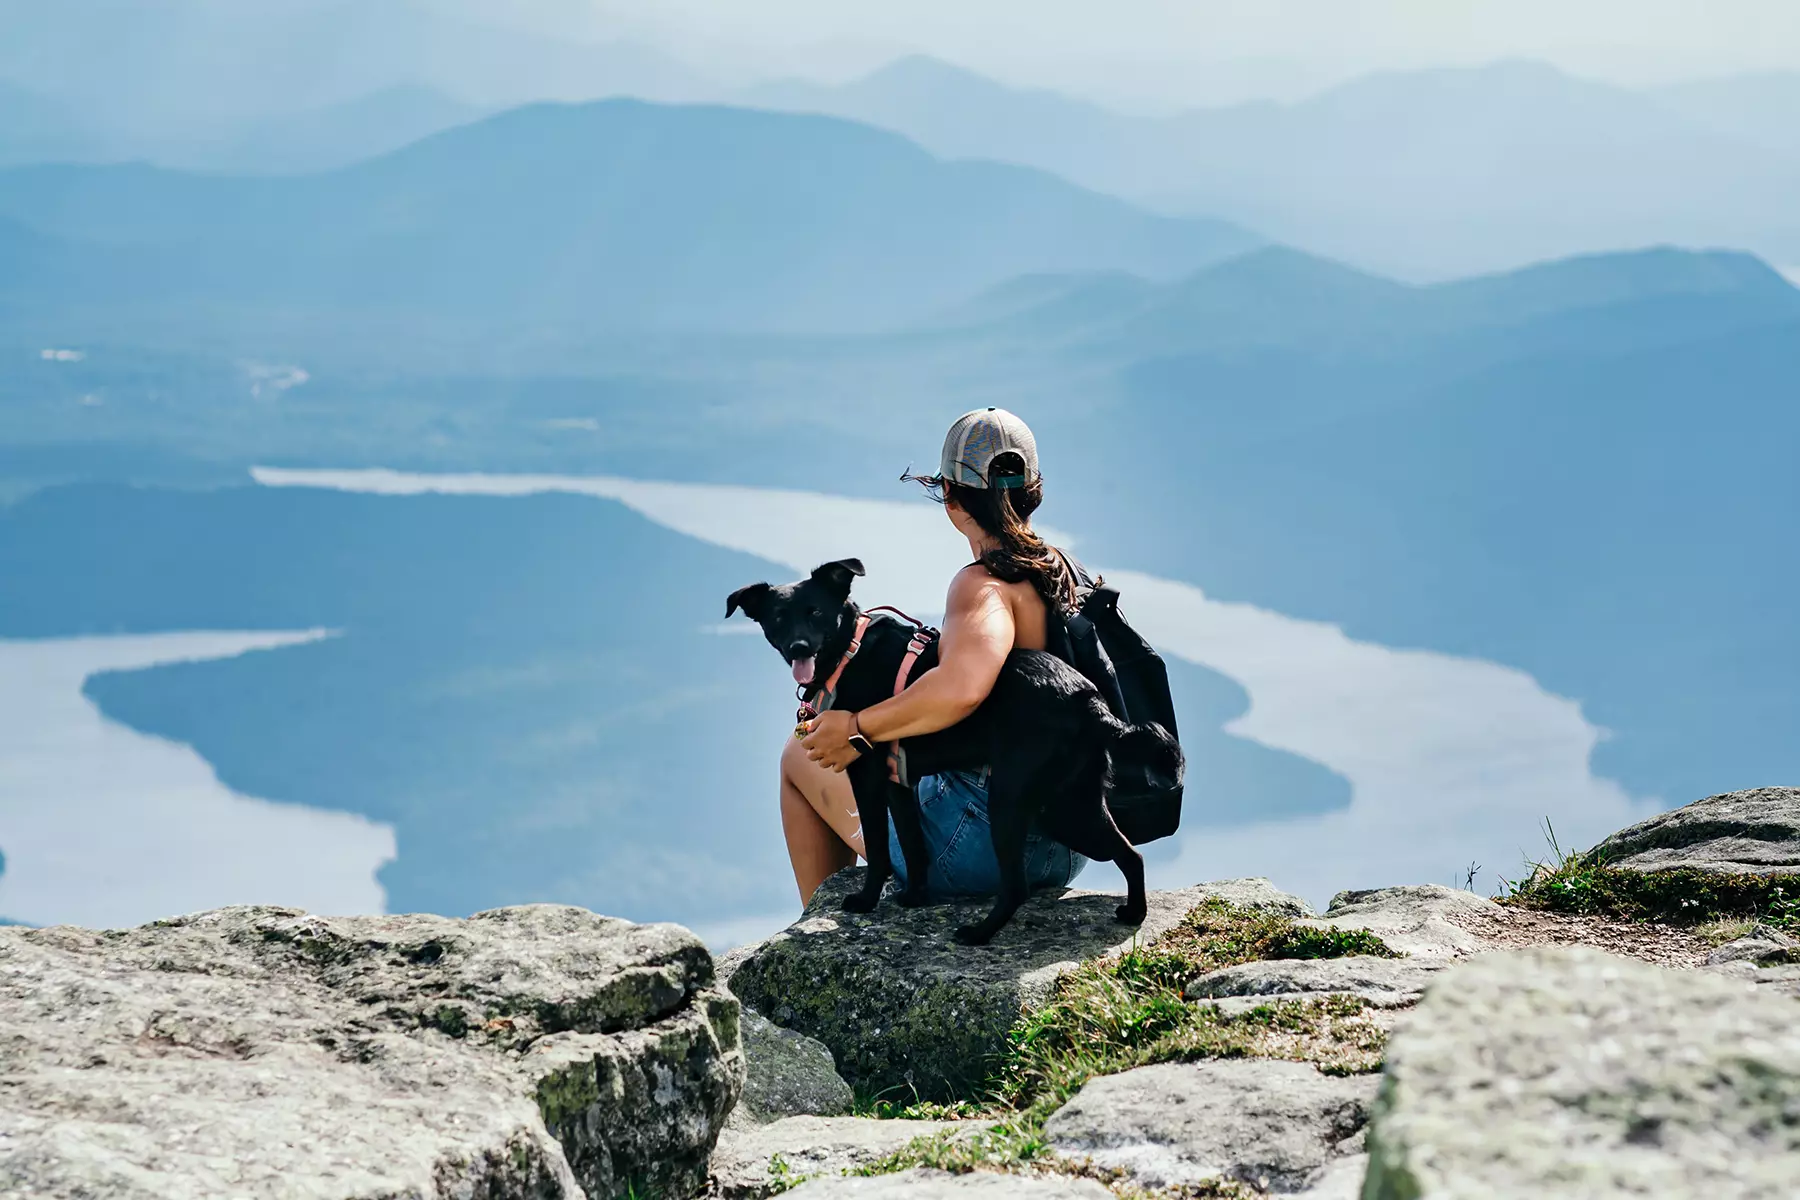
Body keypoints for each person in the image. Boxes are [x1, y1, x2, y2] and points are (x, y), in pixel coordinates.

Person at [779, 408, 1088, 905]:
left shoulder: (983, 586)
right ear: (1036, 489)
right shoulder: (1063, 569)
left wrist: (857, 725)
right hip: (1073, 838)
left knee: (802, 756)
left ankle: (830, 928)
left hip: (983, 843)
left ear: (950, 497)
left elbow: (962, 687)